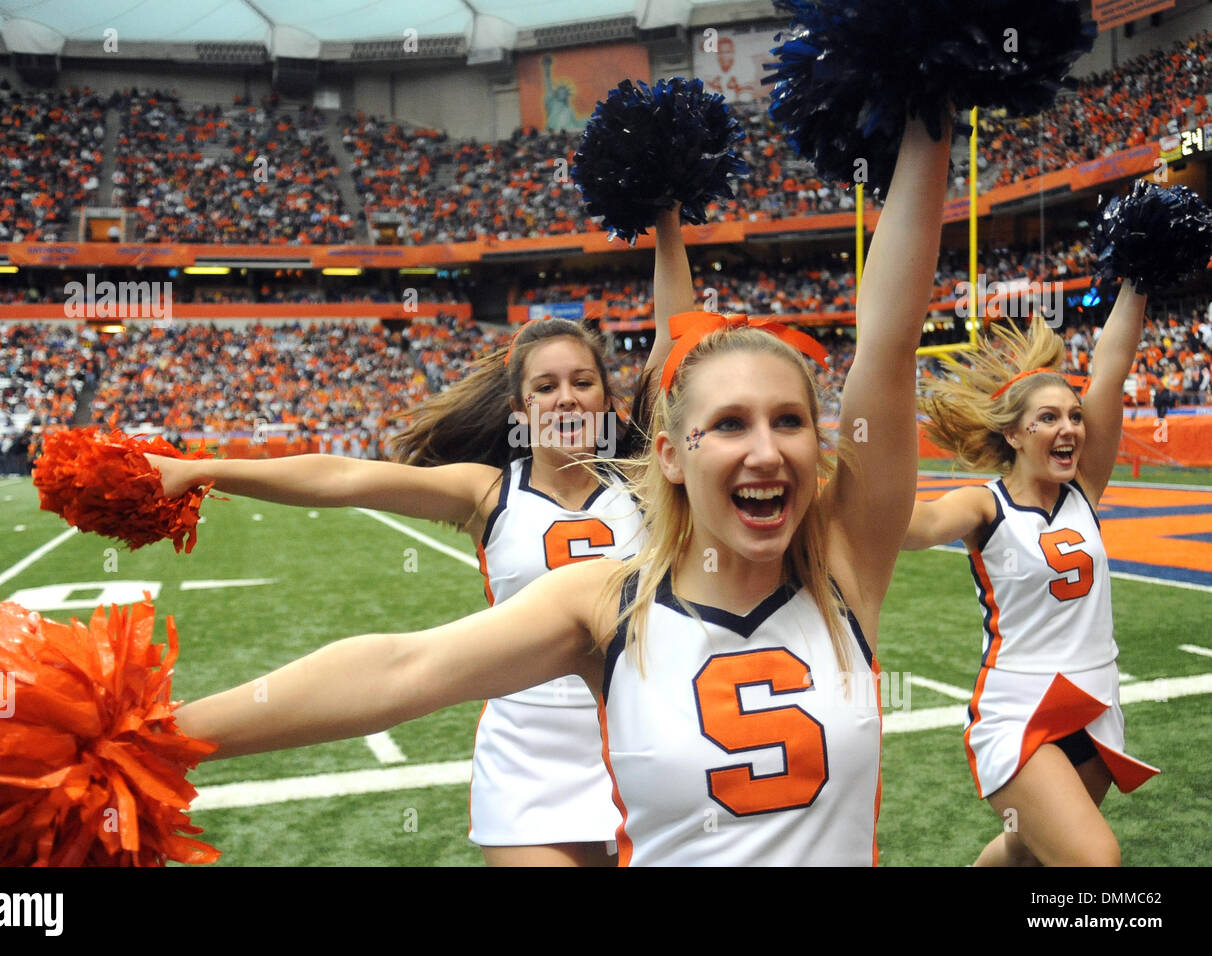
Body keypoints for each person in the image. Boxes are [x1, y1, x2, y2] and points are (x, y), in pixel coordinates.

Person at [173, 115, 952, 865]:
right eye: (730, 425)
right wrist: (151, 732)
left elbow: (886, 341)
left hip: (616, 752)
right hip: (540, 759)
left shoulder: (840, 572)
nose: (765, 450)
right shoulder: (596, 593)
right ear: (674, 455)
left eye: (789, 420)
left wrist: (928, 109)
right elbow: (399, 666)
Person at [148, 207, 691, 867]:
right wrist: (200, 468)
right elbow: (343, 476)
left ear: (609, 402)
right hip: (531, 768)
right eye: (545, 387)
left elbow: (677, 340)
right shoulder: (485, 491)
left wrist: (664, 217)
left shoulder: (642, 478)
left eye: (583, 383)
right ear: (521, 411)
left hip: (651, 744)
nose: (567, 398)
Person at [903, 290, 1159, 867]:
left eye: (1073, 415)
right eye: (1048, 418)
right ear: (1014, 435)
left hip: (1093, 703)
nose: (1068, 427)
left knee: (1027, 853)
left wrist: (1138, 278)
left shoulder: (1084, 489)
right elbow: (915, 527)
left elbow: (1112, 366)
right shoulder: (984, 506)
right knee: (1095, 861)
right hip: (1020, 710)